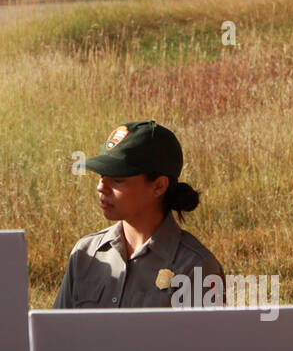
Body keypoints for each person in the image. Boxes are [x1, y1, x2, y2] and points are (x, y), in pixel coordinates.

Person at [53, 121, 224, 309]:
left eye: (118, 179)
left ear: (159, 186)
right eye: (102, 176)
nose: (101, 187)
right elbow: (55, 335)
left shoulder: (195, 268)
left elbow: (208, 338)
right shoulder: (85, 254)